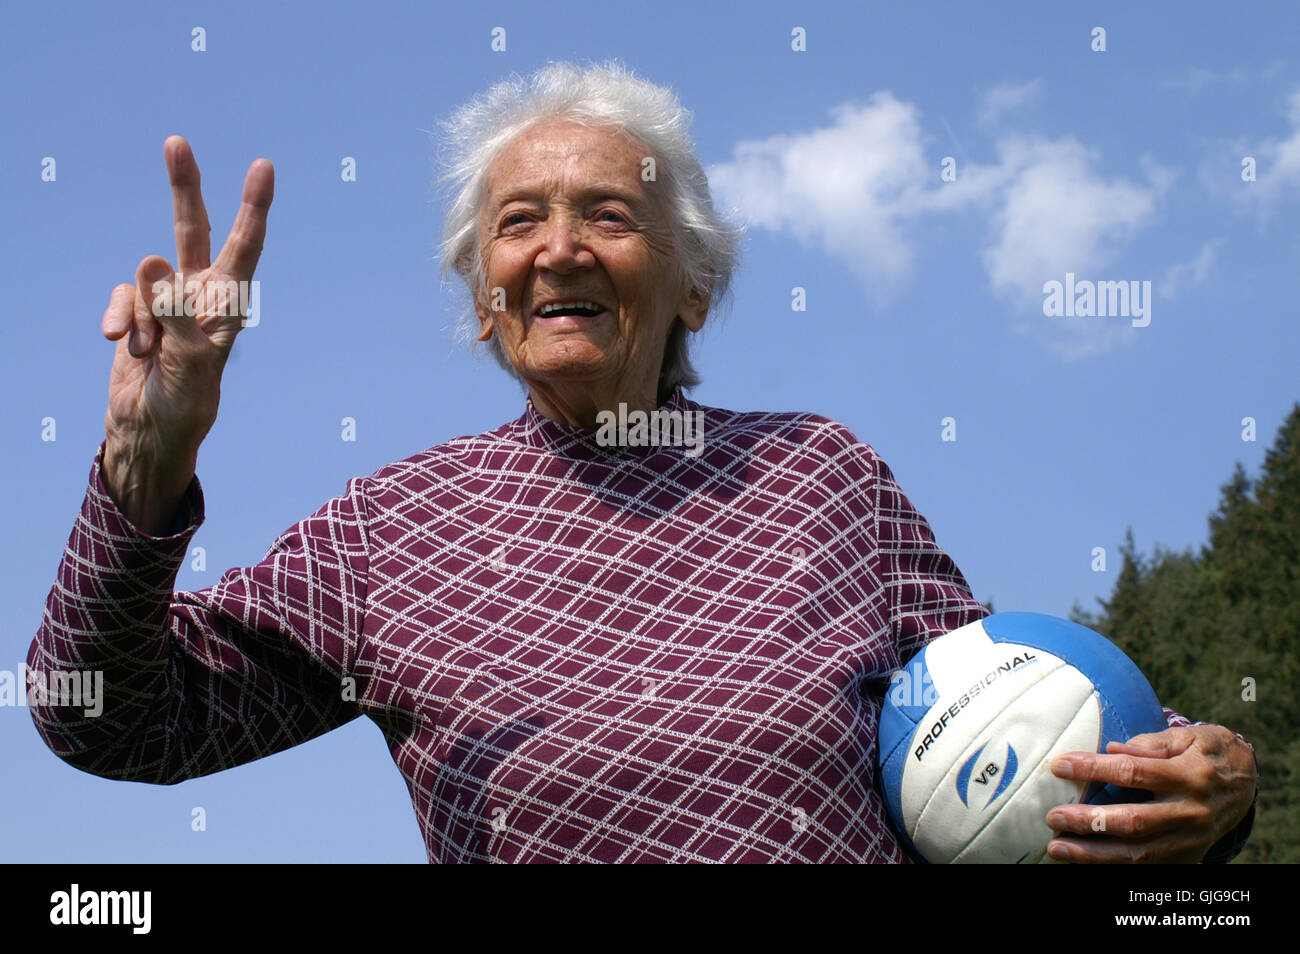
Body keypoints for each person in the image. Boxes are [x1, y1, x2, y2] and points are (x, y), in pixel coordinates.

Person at [29, 60, 1258, 863]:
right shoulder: (384, 532)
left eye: (609, 216)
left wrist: (1199, 786)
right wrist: (141, 469)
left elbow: (1009, 732)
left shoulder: (825, 479)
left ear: (698, 289)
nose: (558, 248)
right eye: (518, 223)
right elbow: (105, 724)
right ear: (480, 296)